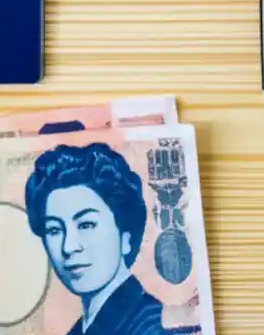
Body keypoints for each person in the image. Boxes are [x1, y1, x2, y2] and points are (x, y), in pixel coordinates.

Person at [25, 142, 166, 335]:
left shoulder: (151, 325)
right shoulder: (83, 329)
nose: (68, 247)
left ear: (125, 235)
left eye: (86, 225)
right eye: (54, 230)